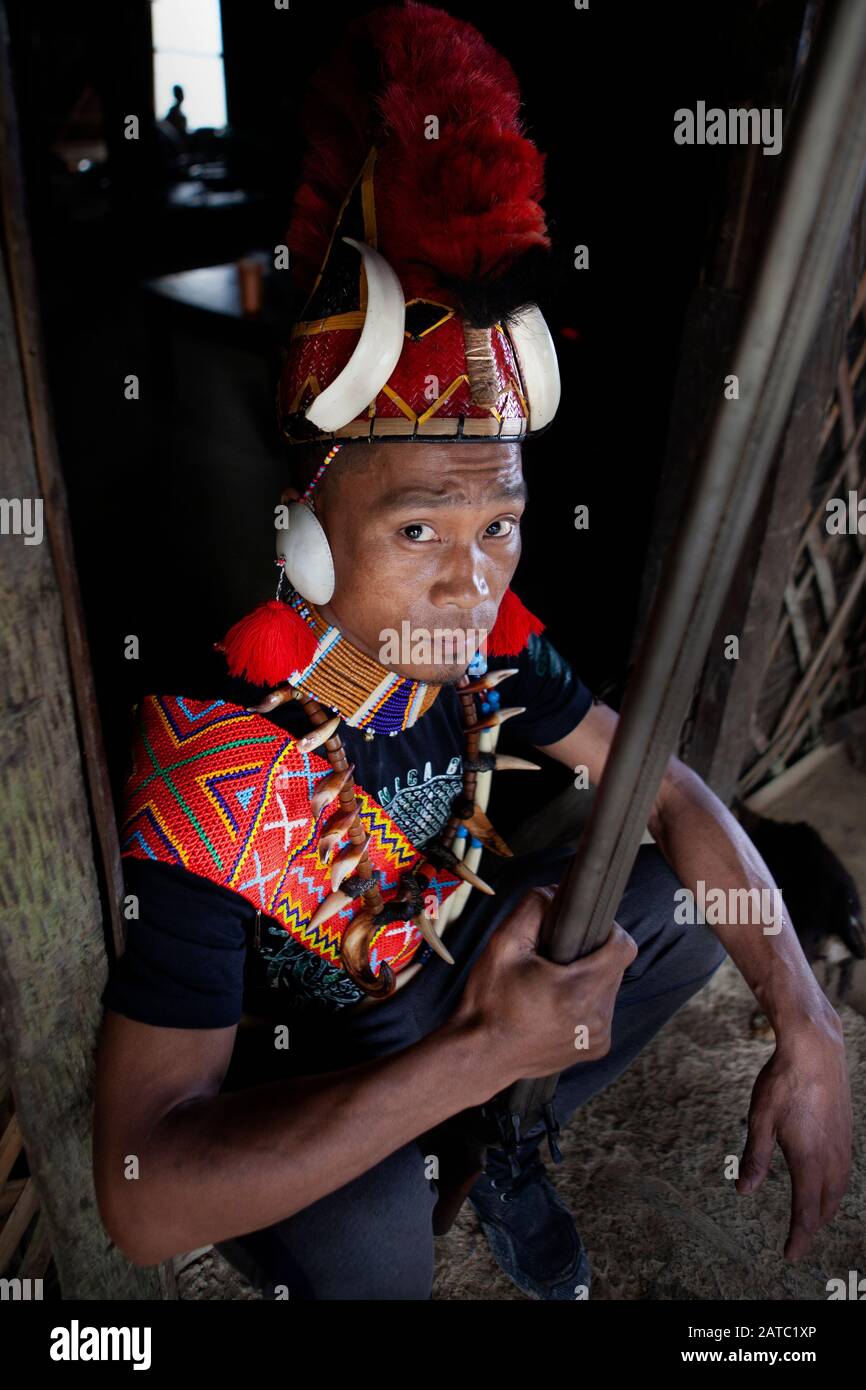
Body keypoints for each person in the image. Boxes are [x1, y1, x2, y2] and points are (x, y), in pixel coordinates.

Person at [92, 1, 851, 1302]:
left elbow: (658, 782)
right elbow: (145, 1200)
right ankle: (465, 1119)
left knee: (668, 897)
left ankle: (505, 1137)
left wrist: (804, 1017)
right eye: (415, 520)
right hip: (331, 1057)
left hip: (458, 953)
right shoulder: (210, 769)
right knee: (373, 1240)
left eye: (498, 516)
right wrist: (477, 1054)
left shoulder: (481, 639)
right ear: (307, 535)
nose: (473, 566)